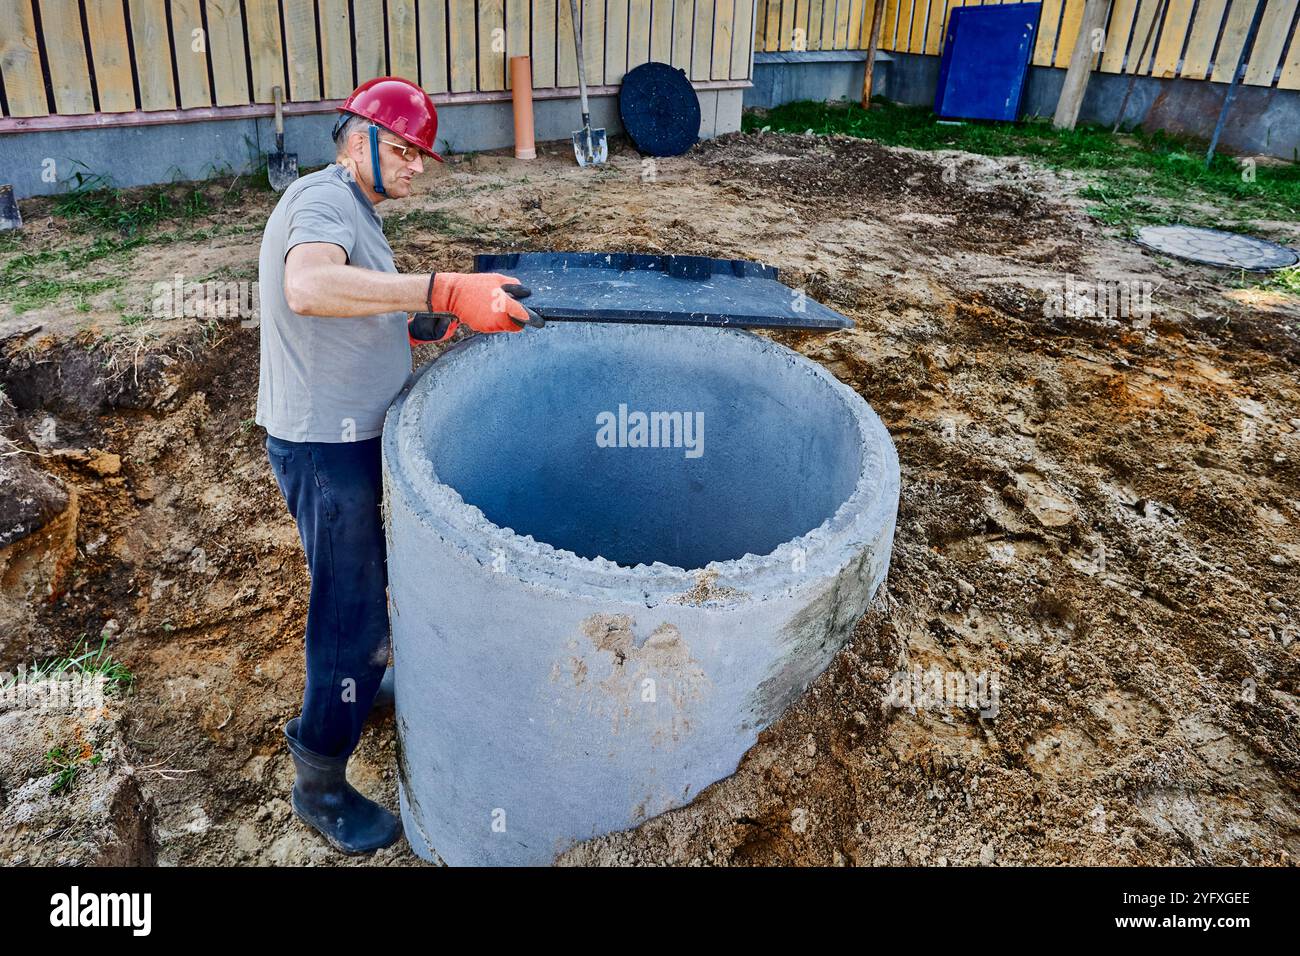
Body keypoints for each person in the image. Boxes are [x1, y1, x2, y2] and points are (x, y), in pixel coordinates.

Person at [255, 75, 531, 855]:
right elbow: (308, 287)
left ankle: (356, 688)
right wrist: (442, 283)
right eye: (407, 152)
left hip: (343, 434)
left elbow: (348, 295)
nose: (417, 168)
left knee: (360, 589)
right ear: (359, 139)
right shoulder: (321, 202)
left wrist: (416, 316)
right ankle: (320, 782)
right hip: (322, 447)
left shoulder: (353, 207)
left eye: (422, 158)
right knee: (351, 616)